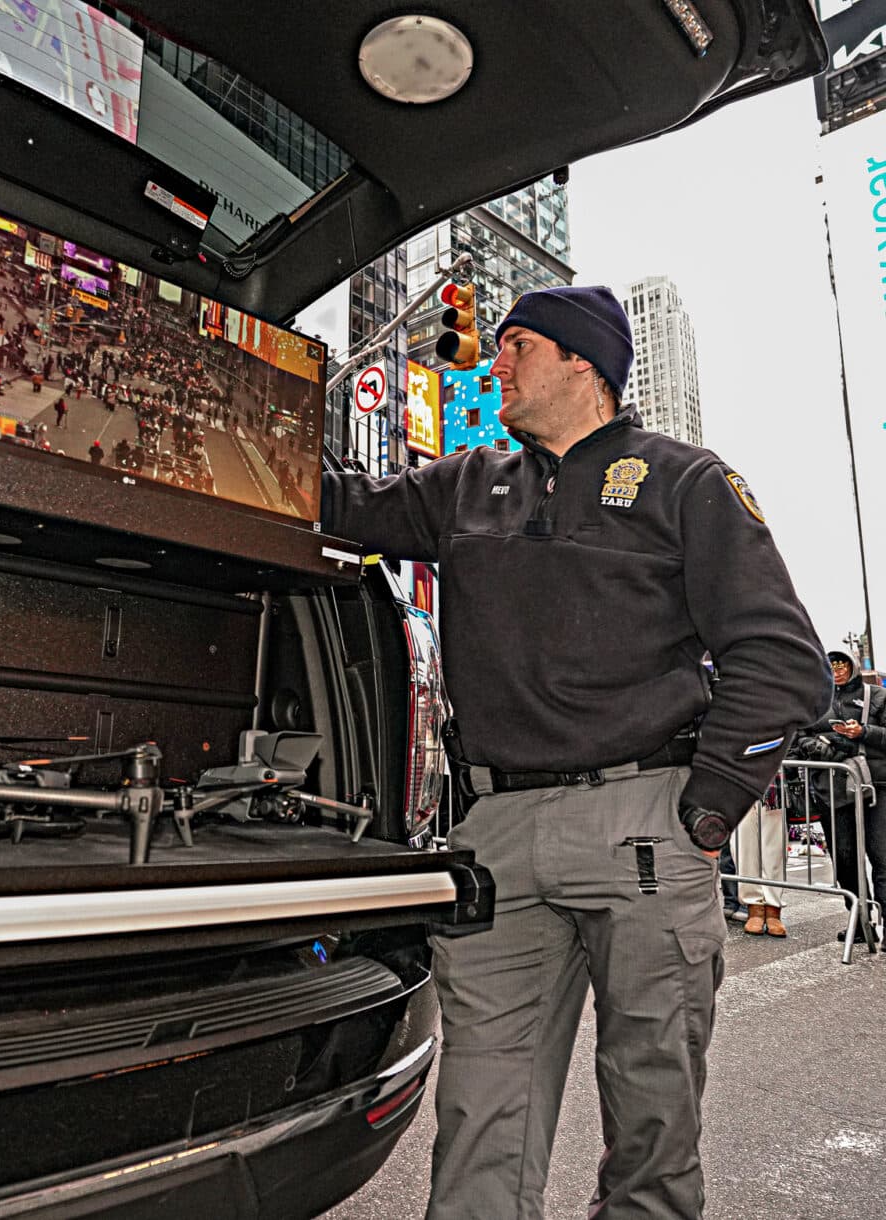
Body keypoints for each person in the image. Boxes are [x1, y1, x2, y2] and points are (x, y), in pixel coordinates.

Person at [320, 285, 830, 1219]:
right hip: (497, 832)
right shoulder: (464, 485)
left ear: (582, 363)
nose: (493, 364)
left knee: (653, 1116)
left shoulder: (686, 481)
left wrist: (705, 812)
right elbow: (331, 502)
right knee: (481, 1112)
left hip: (645, 823)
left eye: (516, 346)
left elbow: (785, 664)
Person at [793, 648, 886, 935]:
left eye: (842, 663)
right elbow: (797, 739)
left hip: (875, 786)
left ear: (854, 665)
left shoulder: (878, 696)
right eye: (831, 664)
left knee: (881, 856)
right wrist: (818, 747)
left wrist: (863, 733)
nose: (837, 669)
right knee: (845, 859)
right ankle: (860, 922)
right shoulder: (814, 699)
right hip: (830, 789)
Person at [736, 778, 787, 936]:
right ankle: (754, 909)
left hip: (772, 783)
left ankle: (773, 910)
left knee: (774, 850)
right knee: (743, 848)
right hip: (737, 784)